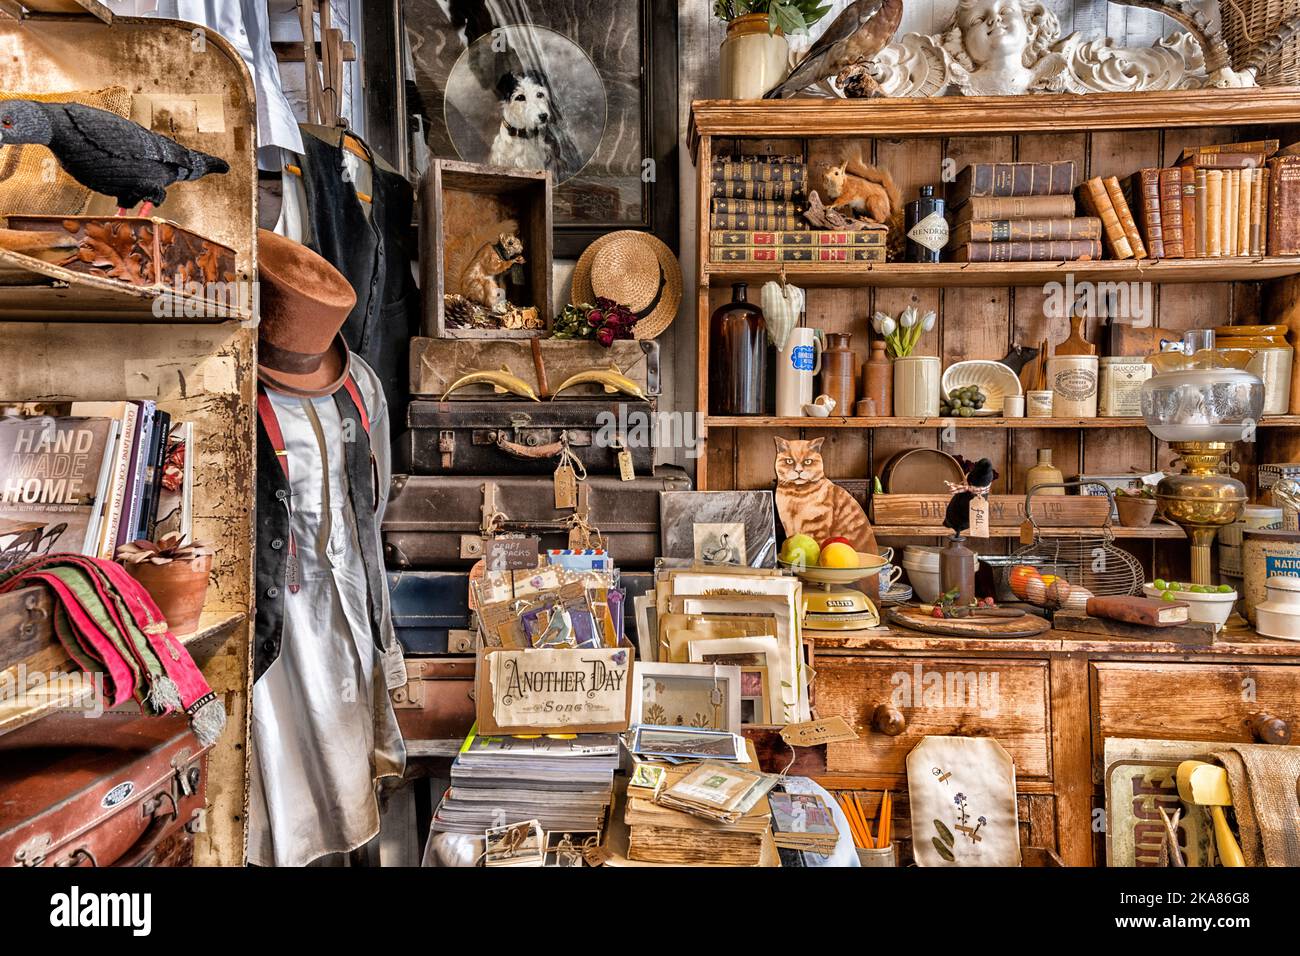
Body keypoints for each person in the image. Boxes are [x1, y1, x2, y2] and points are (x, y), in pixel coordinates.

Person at [246, 229, 405, 867]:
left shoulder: (359, 386)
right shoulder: (235, 389)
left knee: (349, 769)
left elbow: (377, 491)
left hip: (349, 601)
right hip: (275, 614)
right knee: (278, 770)